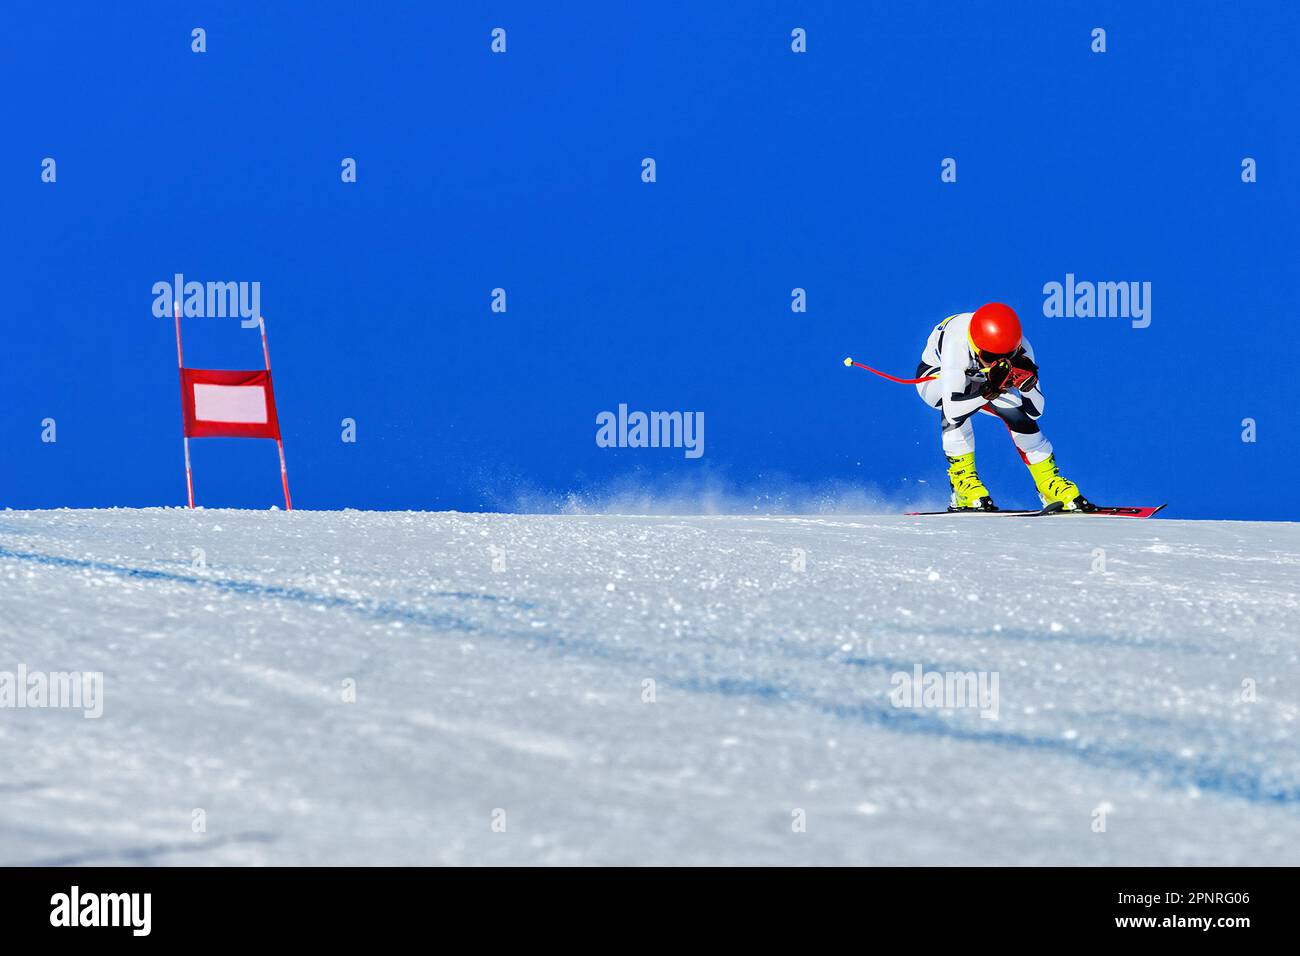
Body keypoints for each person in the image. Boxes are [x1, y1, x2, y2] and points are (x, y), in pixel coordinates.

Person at [915, 302, 1093, 512]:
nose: (997, 362)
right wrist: (989, 390)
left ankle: (1048, 482)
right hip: (935, 377)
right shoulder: (958, 342)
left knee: (1015, 408)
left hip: (983, 382)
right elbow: (953, 411)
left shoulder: (1022, 348)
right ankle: (962, 483)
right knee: (955, 402)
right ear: (976, 346)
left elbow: (1035, 411)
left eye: (1006, 357)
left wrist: (1028, 386)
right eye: (990, 357)